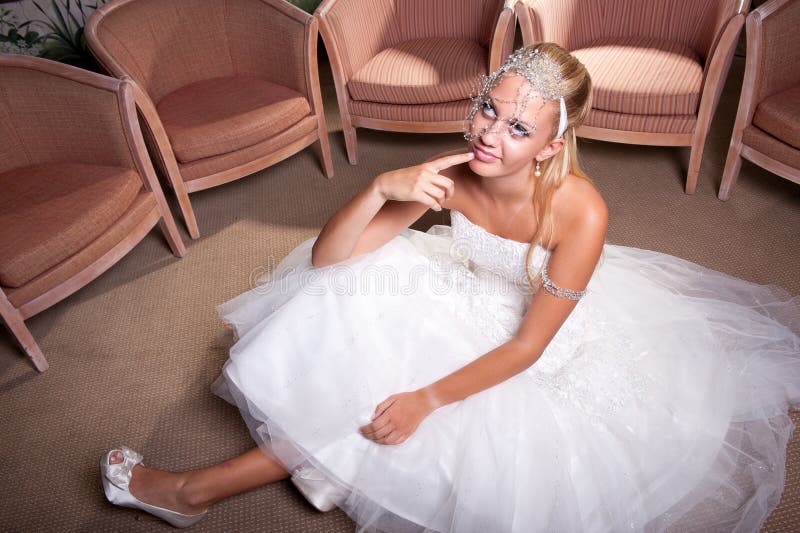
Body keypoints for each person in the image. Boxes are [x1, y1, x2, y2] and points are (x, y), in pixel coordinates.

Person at [100, 43, 800, 532]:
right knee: (335, 303)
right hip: (453, 285)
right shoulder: (457, 169)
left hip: (530, 339)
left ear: (551, 148)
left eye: (519, 127)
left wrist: (429, 397)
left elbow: (528, 344)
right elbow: (327, 262)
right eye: (488, 109)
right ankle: (315, 462)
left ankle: (200, 488)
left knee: (407, 400)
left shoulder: (581, 211)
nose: (490, 133)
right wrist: (381, 187)